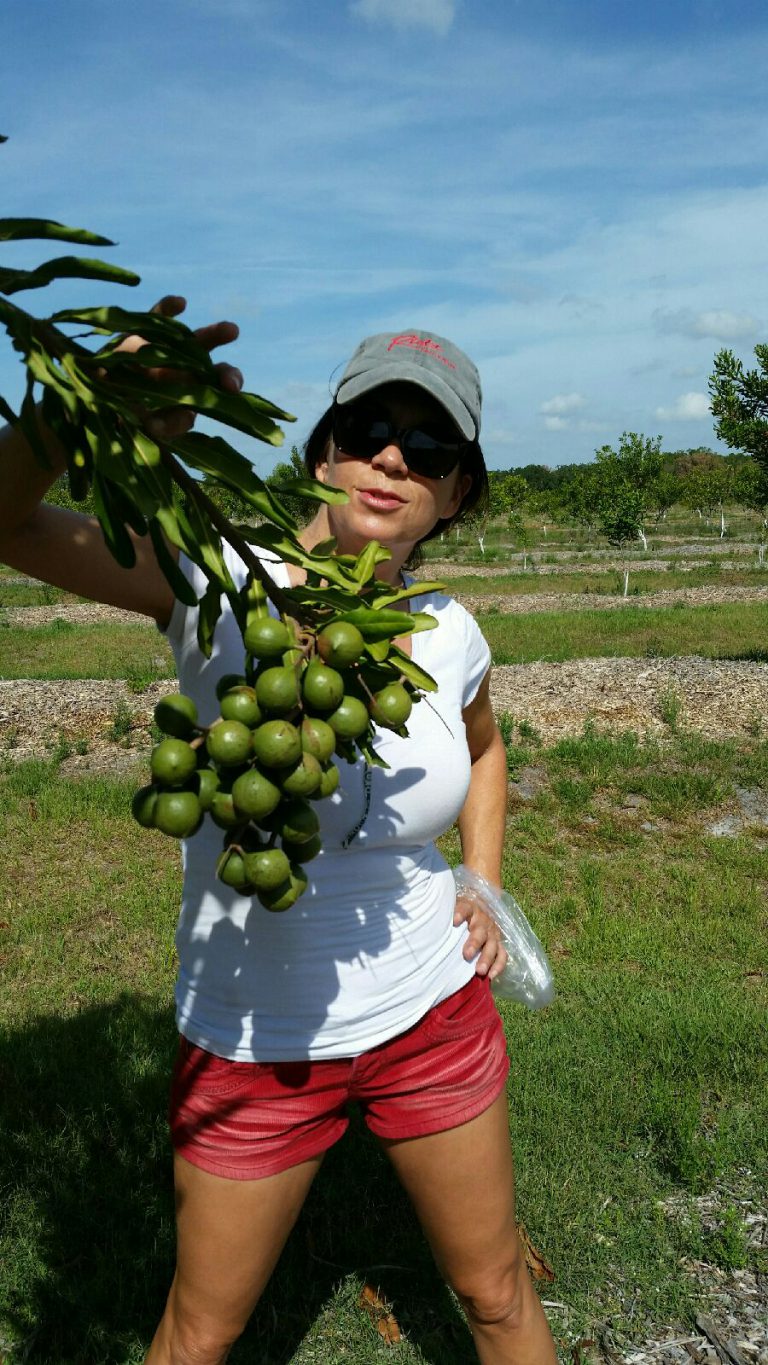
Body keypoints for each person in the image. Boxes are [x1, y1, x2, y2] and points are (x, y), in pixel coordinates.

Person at [0, 304, 557, 1365]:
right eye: (366, 432)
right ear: (321, 451)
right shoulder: (218, 576)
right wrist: (68, 421)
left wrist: (481, 885)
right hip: (255, 1037)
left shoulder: (445, 630)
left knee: (493, 1291)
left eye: (429, 447)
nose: (392, 457)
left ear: (457, 493)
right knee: (201, 1333)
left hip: (432, 1011)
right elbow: (7, 524)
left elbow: (485, 751)